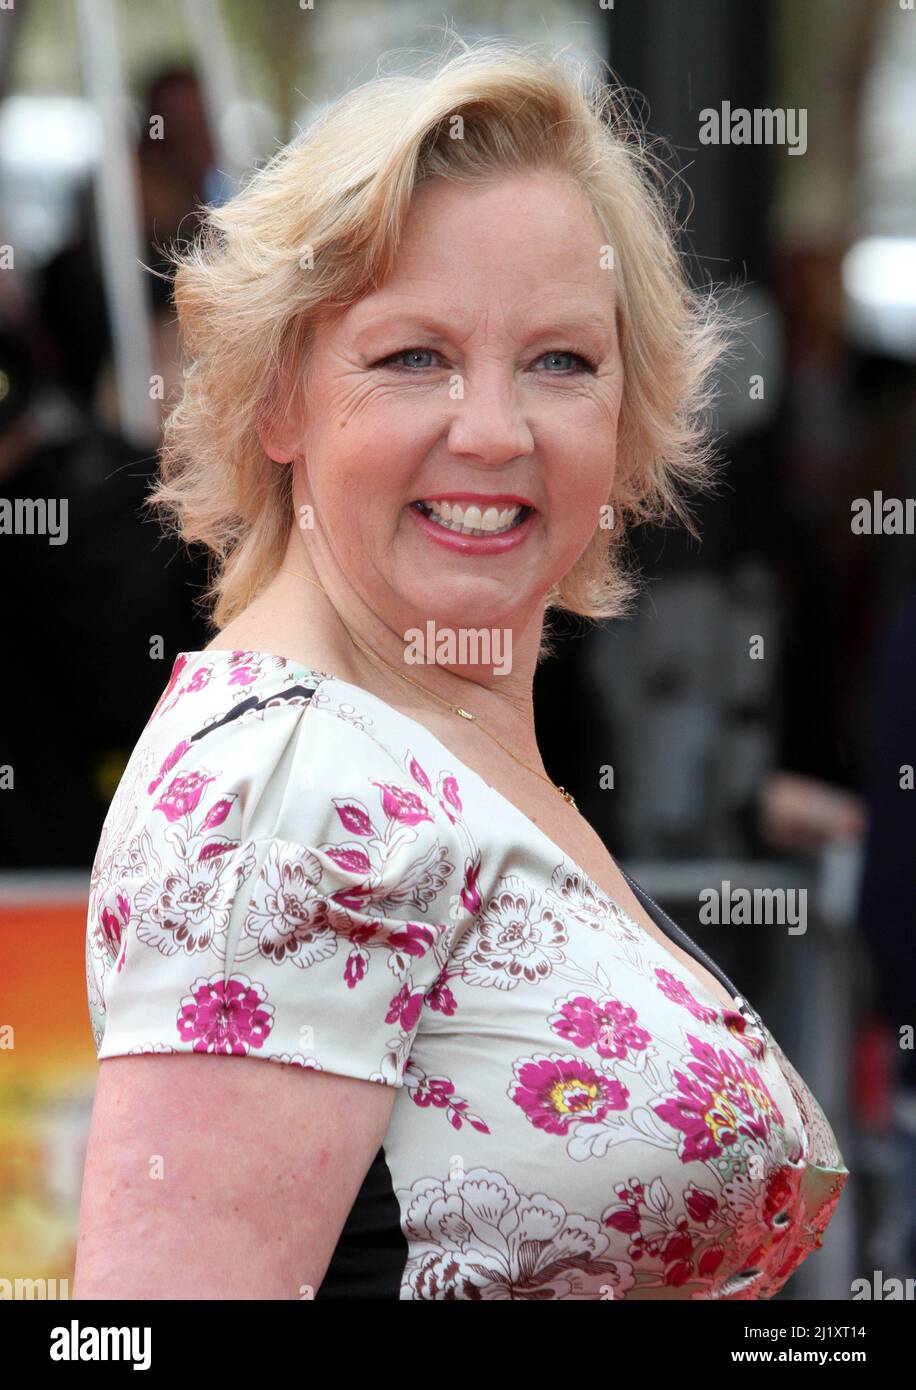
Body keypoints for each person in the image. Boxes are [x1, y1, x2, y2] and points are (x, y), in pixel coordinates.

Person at [74, 37, 848, 1300]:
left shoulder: (432, 737)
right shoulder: (288, 794)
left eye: (560, 361)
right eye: (411, 356)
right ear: (278, 400)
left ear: (628, 411)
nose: (491, 432)